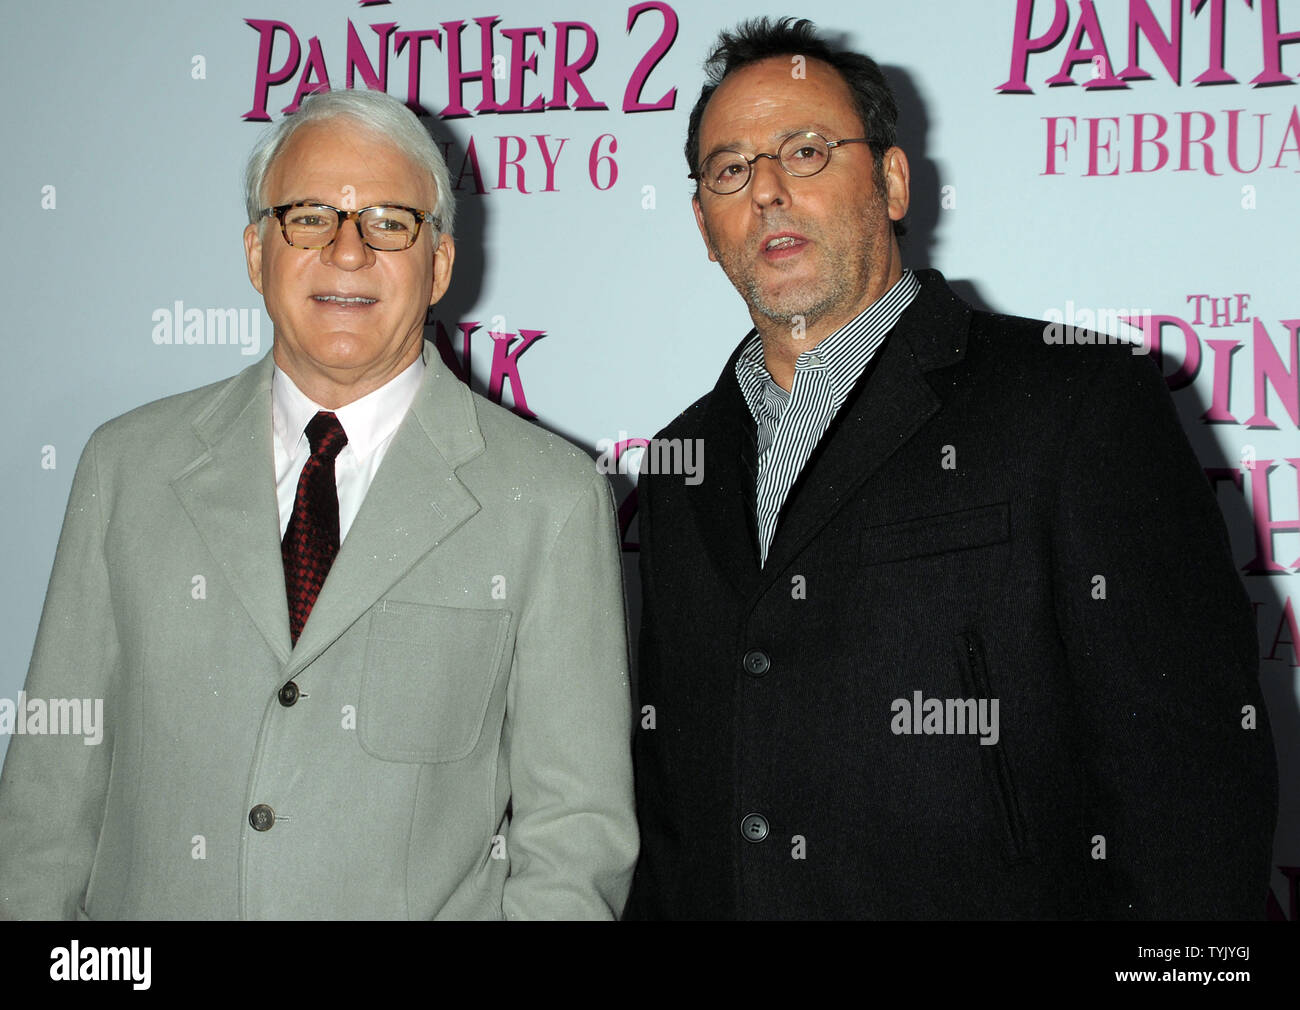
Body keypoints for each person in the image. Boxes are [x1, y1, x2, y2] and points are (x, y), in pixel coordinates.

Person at [627, 17, 1276, 919]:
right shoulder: (672, 469)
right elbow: (664, 807)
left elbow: (1192, 786)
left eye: (806, 151)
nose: (767, 190)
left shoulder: (1076, 403)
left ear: (891, 181)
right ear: (703, 223)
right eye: (730, 169)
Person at [0, 88, 637, 920]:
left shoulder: (549, 501)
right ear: (256, 251)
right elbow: (49, 797)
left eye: (388, 221)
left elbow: (576, 836)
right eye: (309, 218)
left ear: (438, 263)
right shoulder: (125, 468)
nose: (348, 251)